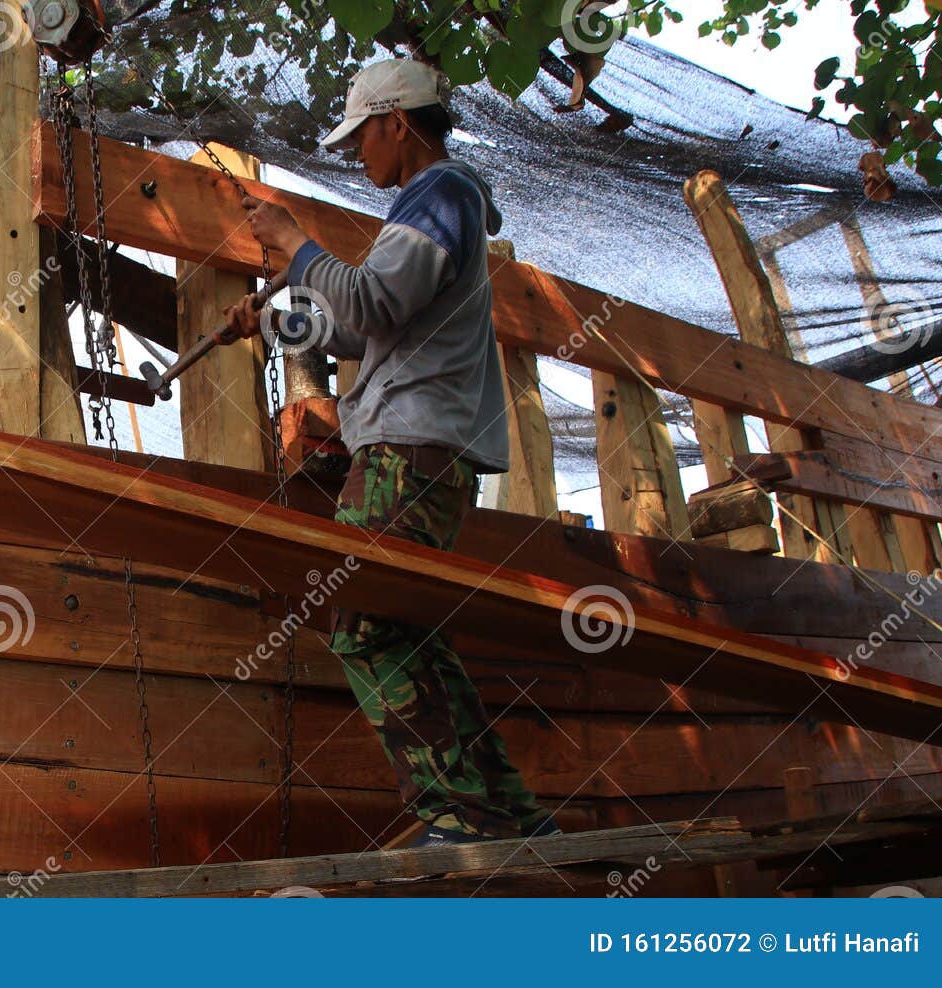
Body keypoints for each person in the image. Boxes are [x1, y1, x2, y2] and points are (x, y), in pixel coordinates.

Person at [221, 58, 558, 846]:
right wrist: (270, 321)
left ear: (396, 123)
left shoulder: (439, 194)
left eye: (360, 137)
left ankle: (462, 818)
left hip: (407, 451)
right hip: (424, 451)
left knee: (362, 625)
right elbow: (365, 327)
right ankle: (507, 814)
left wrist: (295, 242)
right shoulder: (435, 205)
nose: (355, 153)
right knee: (408, 631)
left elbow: (371, 302)